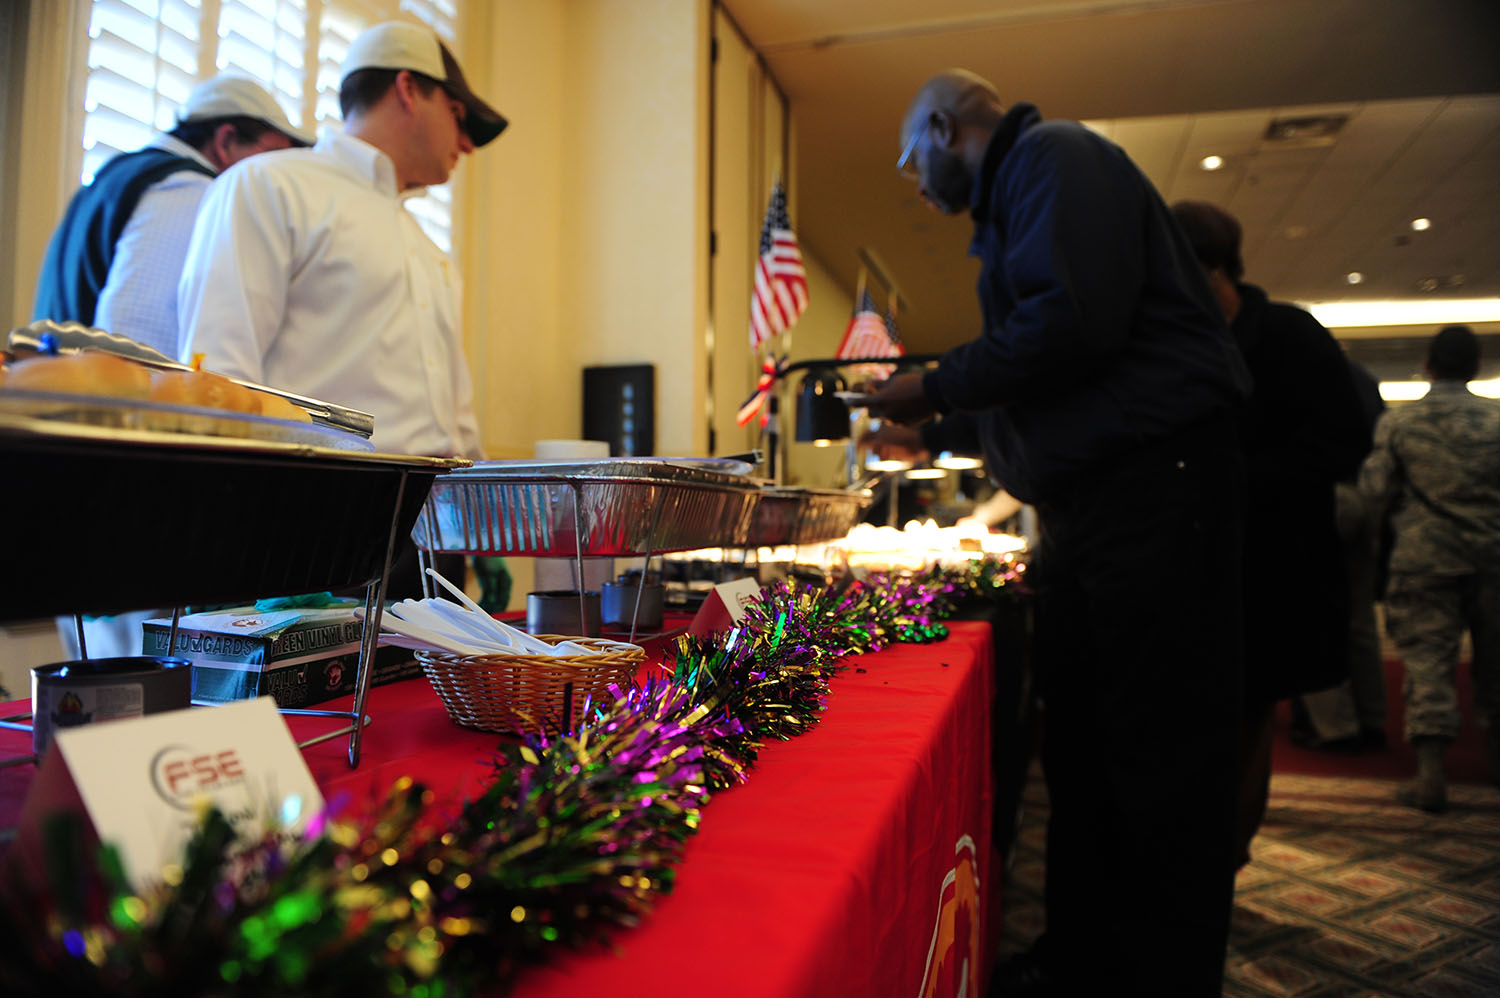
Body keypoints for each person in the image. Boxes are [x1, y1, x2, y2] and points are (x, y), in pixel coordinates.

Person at [865, 70, 1251, 996]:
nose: (915, 184)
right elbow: (1048, 384)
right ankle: (1085, 956)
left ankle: (1158, 972)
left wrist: (937, 383)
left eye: (911, 161)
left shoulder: (1054, 157)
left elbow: (1071, 327)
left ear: (945, 127)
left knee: (1154, 761)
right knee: (1082, 750)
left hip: (1159, 494)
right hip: (1098, 512)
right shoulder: (1018, 201)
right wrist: (941, 428)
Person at [178, 21, 508, 596]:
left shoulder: (430, 253)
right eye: (459, 115)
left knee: (420, 693)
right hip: (308, 540)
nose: (468, 143)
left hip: (433, 548)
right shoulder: (267, 187)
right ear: (409, 89)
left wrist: (481, 531)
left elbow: (454, 423)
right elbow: (219, 383)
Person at [1170, 200, 1372, 868]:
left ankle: (1223, 864)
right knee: (1202, 723)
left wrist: (1231, 476)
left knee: (1249, 716)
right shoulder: (1182, 337)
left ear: (1210, 266)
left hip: (1277, 565)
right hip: (1200, 566)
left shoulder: (1289, 334)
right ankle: (1203, 860)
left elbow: (1343, 442)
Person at [32, 75, 312, 358]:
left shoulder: (116, 175)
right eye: (272, 155)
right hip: (94, 393)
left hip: (52, 378)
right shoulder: (189, 190)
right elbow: (137, 330)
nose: (277, 171)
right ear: (226, 141)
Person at [1359, 325, 1500, 812]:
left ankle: (1431, 775)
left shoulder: (1401, 423)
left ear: (1428, 364)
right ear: (1476, 367)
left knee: (1427, 663)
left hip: (1424, 558)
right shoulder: (1498, 420)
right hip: (1494, 556)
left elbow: (1374, 492)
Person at [1296, 360, 1390, 751]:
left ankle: (1334, 726)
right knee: (1360, 615)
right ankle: (1373, 718)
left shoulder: (1295, 374)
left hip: (1320, 496)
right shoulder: (1362, 377)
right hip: (1363, 496)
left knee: (1311, 612)